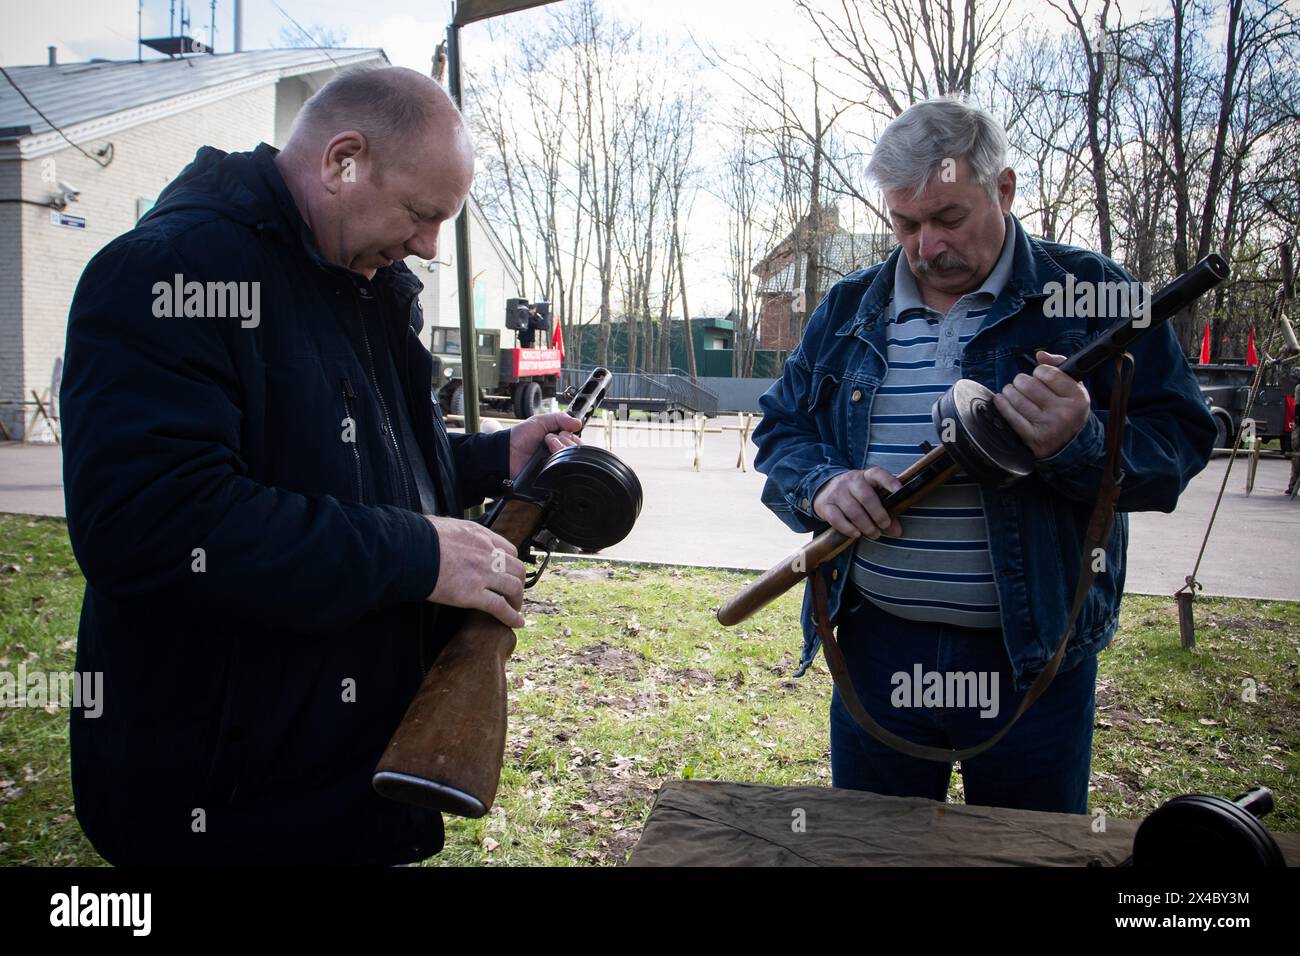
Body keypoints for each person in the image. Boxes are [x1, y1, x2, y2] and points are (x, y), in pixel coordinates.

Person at [60, 66, 581, 865]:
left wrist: (488, 458)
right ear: (343, 159)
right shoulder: (170, 273)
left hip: (349, 779)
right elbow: (152, 523)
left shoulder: (354, 278)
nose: (428, 244)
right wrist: (418, 554)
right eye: (419, 213)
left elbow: (349, 459)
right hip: (234, 807)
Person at [752, 98, 1215, 814]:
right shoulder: (846, 309)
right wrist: (821, 484)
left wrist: (1081, 443)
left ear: (1003, 190)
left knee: (1027, 853)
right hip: (876, 649)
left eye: (949, 219)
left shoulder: (1094, 295)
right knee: (877, 856)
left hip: (1034, 656)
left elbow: (1179, 445)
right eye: (906, 224)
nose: (927, 247)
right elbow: (781, 428)